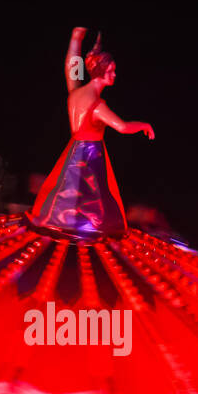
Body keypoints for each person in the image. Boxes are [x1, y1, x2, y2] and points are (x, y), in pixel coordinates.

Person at [28, 28, 155, 240]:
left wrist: (75, 39)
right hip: (90, 160)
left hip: (71, 155)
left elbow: (72, 69)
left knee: (61, 200)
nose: (114, 75)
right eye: (111, 70)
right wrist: (144, 125)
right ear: (101, 71)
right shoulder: (97, 105)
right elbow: (122, 127)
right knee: (96, 213)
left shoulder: (75, 93)